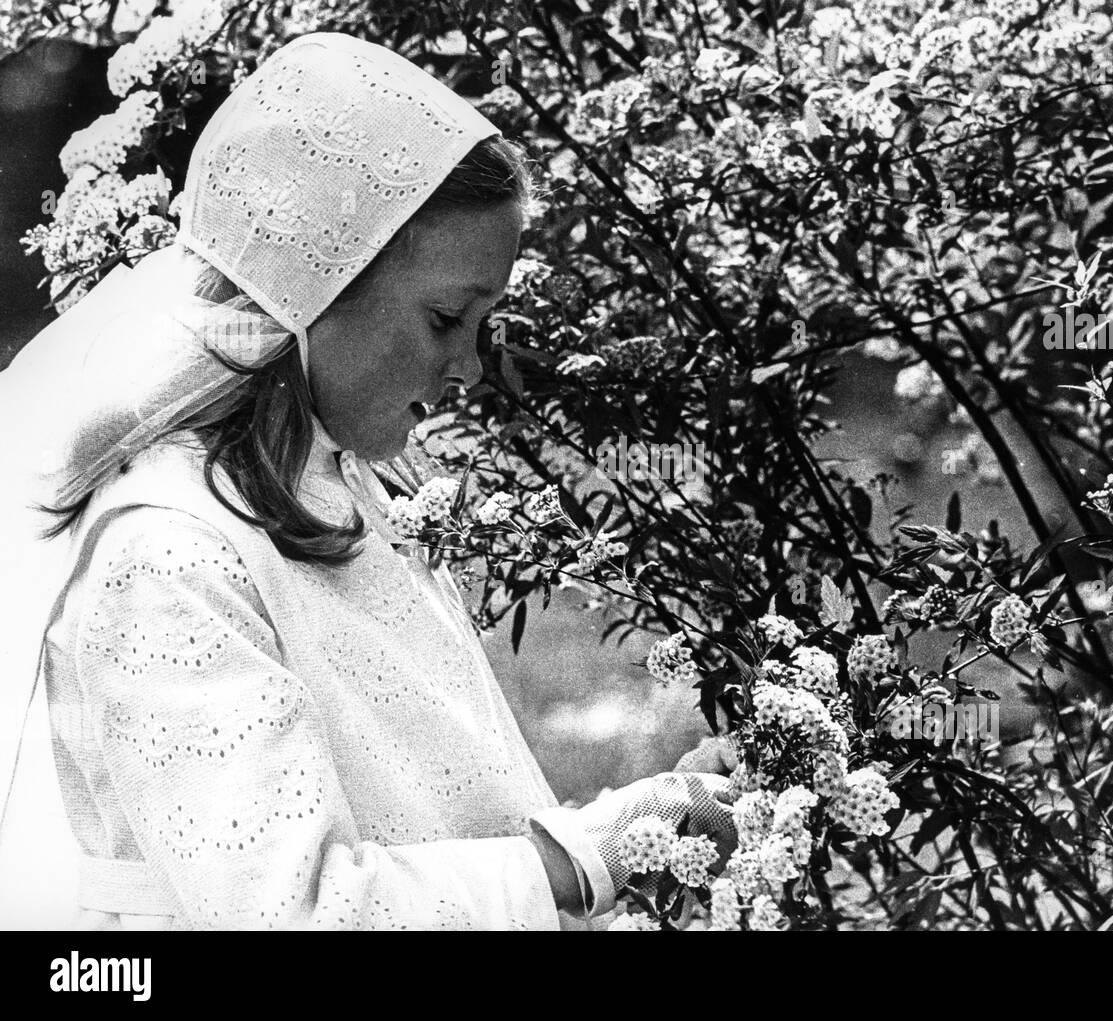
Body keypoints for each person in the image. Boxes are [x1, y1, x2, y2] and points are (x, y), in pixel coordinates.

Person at [0, 32, 735, 930]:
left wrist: (651, 826)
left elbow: (439, 814)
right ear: (316, 289)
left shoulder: (344, 496)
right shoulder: (166, 561)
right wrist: (585, 859)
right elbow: (298, 913)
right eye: (446, 317)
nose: (470, 367)